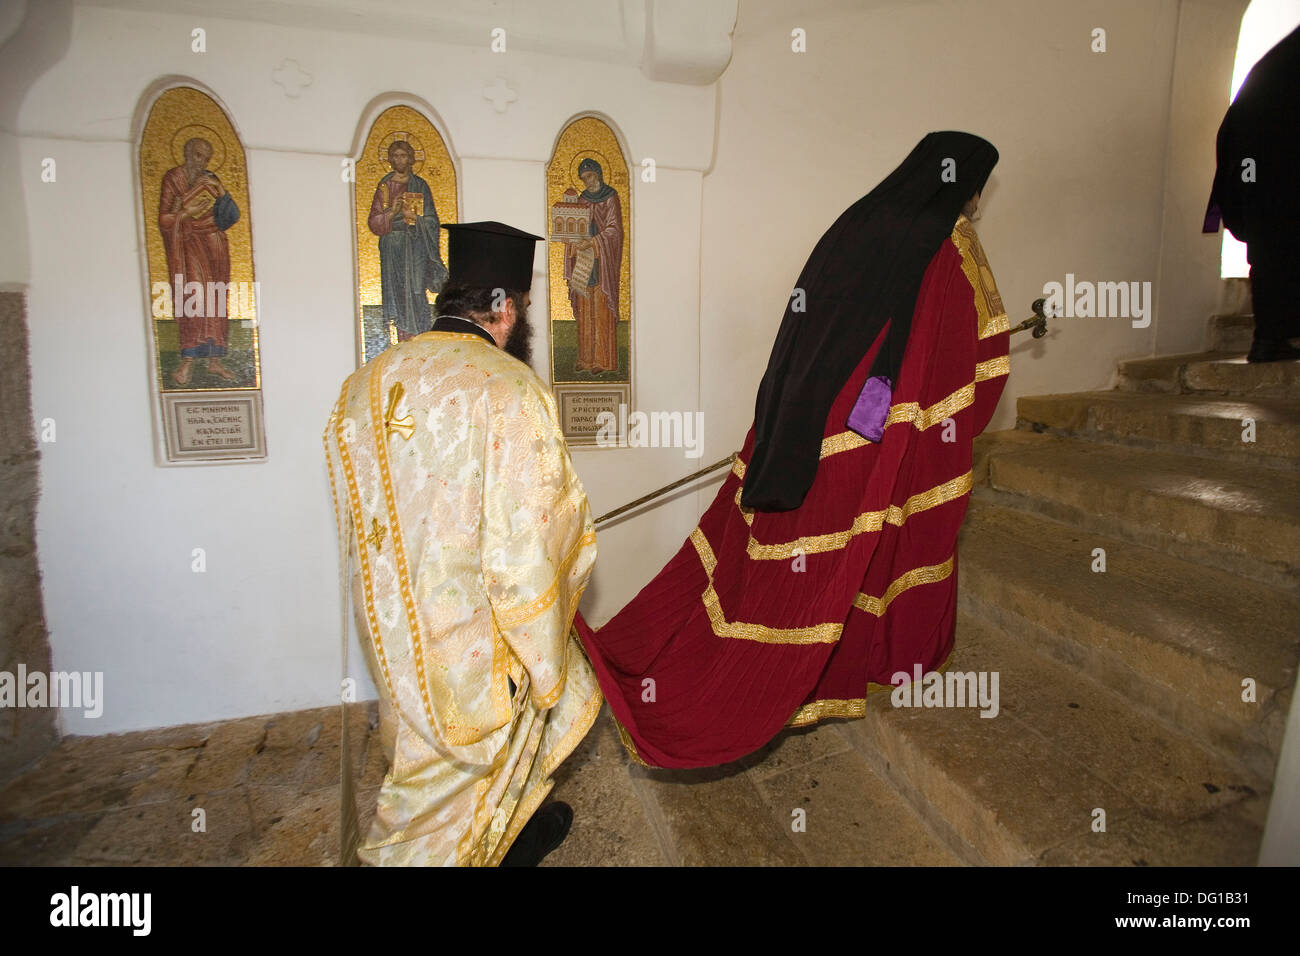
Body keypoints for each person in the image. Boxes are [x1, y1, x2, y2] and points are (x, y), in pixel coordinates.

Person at [573, 132, 1009, 768]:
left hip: (803, 420)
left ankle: (697, 661)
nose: (975, 200)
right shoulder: (950, 242)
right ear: (961, 182)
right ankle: (783, 681)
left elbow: (808, 322)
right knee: (853, 554)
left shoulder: (859, 219)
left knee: (779, 559)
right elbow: (977, 346)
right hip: (870, 432)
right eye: (976, 187)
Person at [324, 221, 600, 865]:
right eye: (523, 309)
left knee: (419, 751)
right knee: (476, 754)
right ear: (504, 306)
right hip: (474, 634)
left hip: (395, 627)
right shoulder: (509, 389)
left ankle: (511, 827)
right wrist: (542, 649)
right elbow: (527, 541)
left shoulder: (364, 384)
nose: (521, 322)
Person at [1204, 23, 1300, 363]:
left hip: (1253, 174)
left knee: (1269, 252)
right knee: (1277, 250)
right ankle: (1271, 338)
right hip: (1274, 173)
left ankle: (1269, 339)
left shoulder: (1275, 68)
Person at [158, 137, 240, 386]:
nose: (201, 161)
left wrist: (220, 187)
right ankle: (187, 362)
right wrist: (185, 213)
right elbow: (164, 220)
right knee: (195, 297)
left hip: (214, 246)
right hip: (187, 246)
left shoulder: (211, 179)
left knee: (215, 299)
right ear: (186, 153)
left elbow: (231, 215)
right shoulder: (173, 179)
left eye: (206, 157)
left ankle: (215, 361)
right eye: (197, 155)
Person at [367, 140, 449, 343]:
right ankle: (402, 338)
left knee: (415, 289)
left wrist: (414, 218)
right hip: (392, 248)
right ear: (390, 159)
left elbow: (432, 221)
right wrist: (392, 212)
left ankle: (421, 337)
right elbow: (374, 222)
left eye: (403, 155)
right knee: (398, 292)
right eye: (395, 156)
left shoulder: (420, 185)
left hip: (416, 247)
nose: (399, 160)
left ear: (411, 158)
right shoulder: (385, 187)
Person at [564, 158, 623, 373]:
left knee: (600, 310)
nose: (587, 181)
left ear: (597, 173)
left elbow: (615, 231)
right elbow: (574, 225)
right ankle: (585, 359)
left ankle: (601, 360)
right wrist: (573, 240)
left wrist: (594, 241)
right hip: (583, 263)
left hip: (602, 263)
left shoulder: (610, 198)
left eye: (589, 176)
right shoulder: (582, 199)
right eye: (583, 178)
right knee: (584, 310)